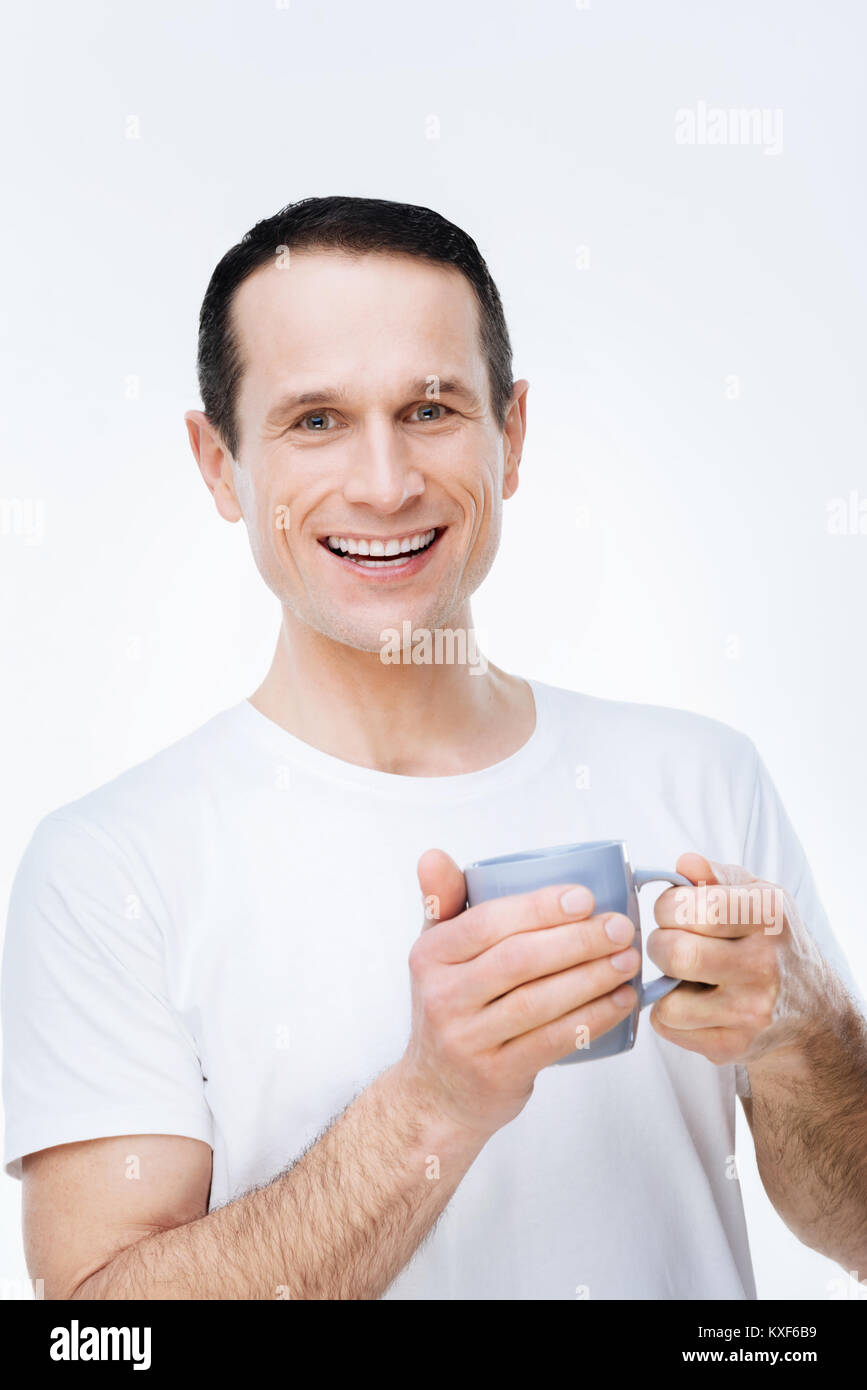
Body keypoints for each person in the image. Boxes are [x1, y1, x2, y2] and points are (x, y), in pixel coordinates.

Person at [3, 196, 865, 1301]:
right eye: (314, 420)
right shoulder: (106, 868)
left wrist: (802, 1029)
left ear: (511, 437)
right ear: (218, 465)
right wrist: (433, 1106)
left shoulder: (704, 778)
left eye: (429, 408)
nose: (384, 482)